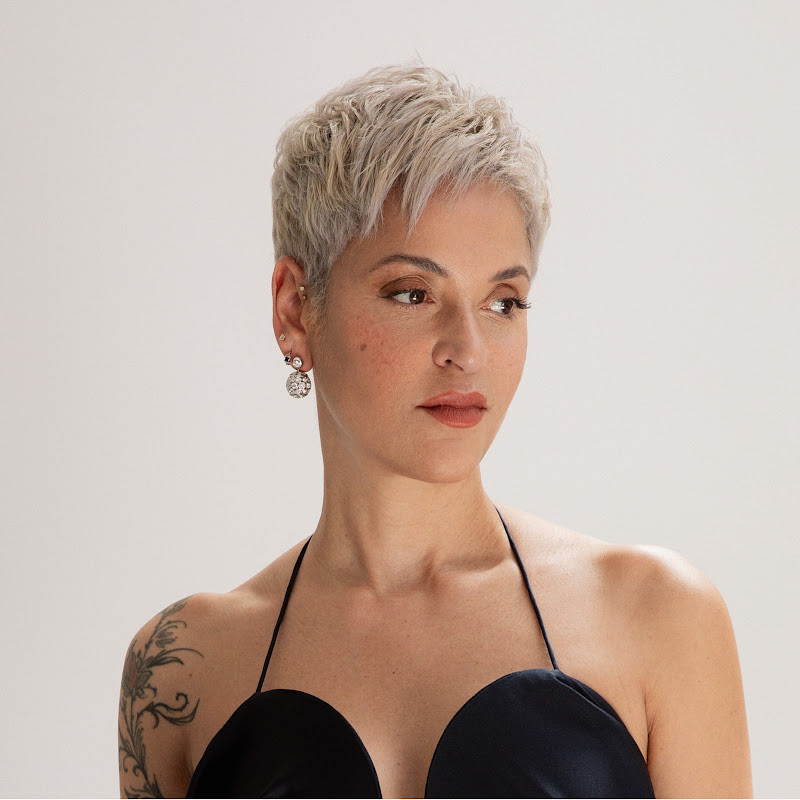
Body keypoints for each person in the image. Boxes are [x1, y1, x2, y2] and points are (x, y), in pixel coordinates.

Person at [117, 62, 752, 799]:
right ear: (295, 309)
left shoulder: (655, 617)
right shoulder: (182, 668)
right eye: (412, 293)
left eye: (503, 302)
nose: (467, 350)